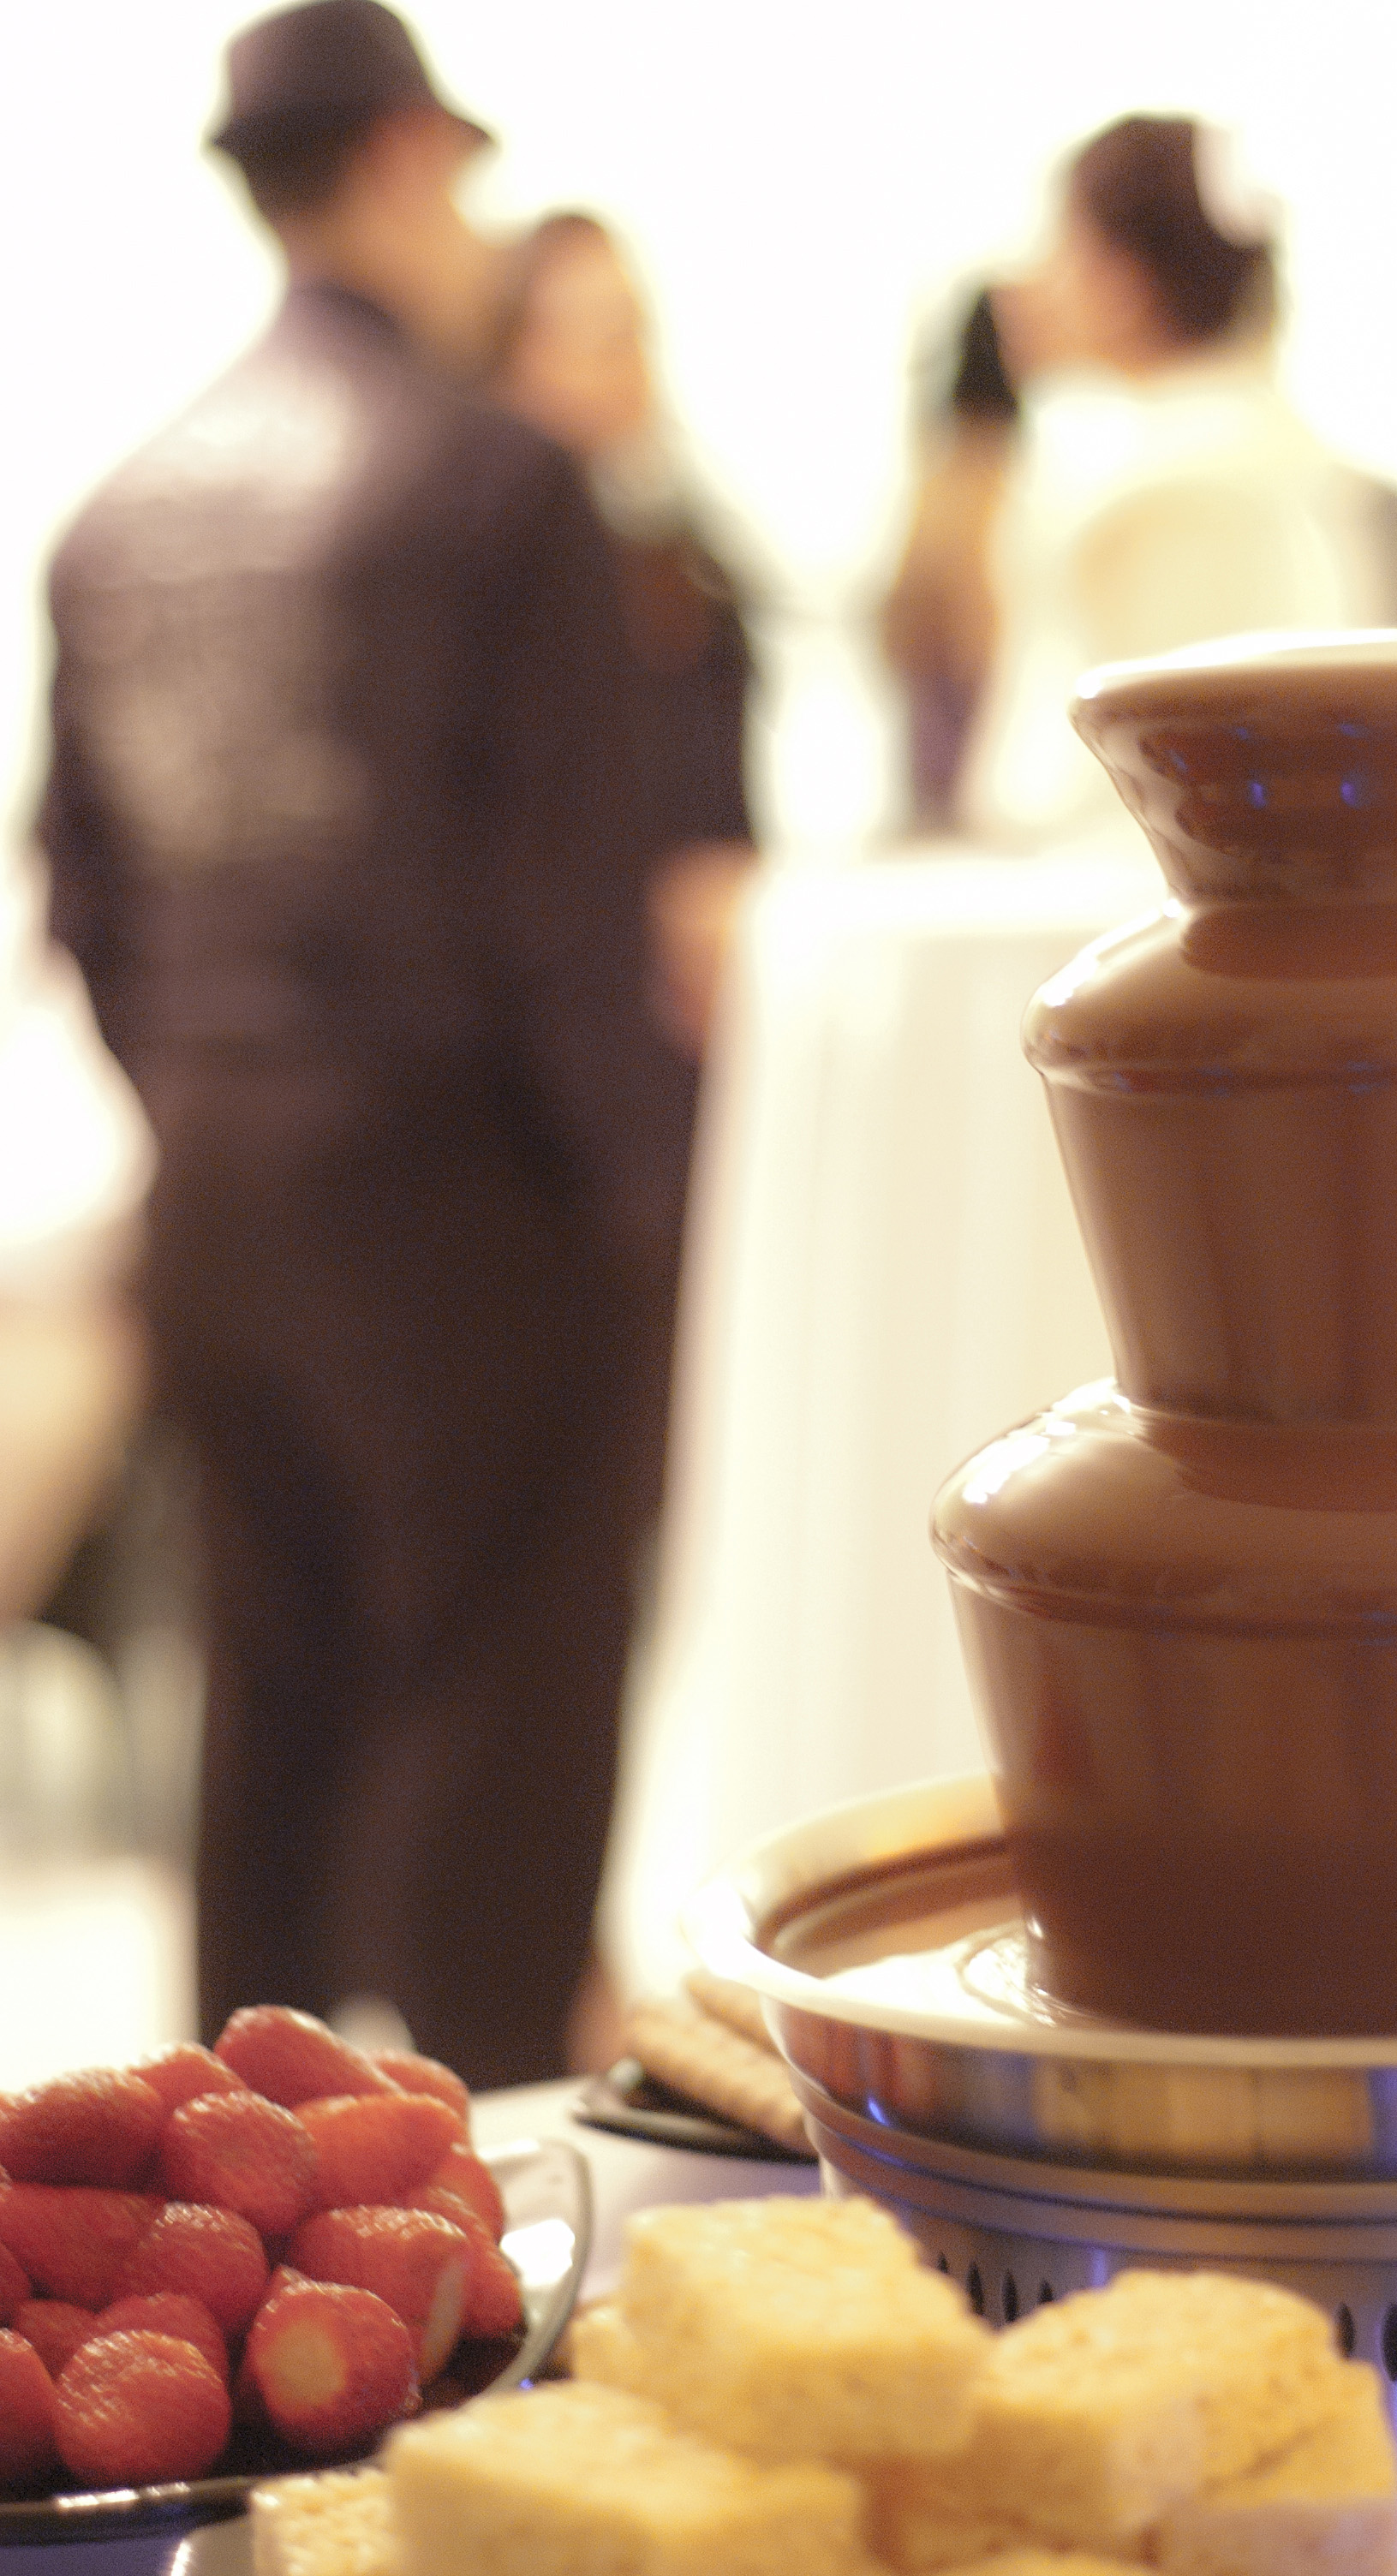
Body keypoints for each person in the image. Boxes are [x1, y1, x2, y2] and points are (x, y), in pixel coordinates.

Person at [37, 0, 677, 2090]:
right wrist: (628, 1206)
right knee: (505, 1695)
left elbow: (88, 893)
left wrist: (207, 1107)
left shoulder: (122, 512)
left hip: (218, 1174)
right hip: (458, 1164)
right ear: (406, 162)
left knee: (272, 1695)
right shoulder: (493, 483)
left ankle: (239, 2180)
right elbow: (557, 901)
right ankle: (496, 2189)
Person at [495, 210, 758, 1528]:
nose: (623, 371)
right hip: (580, 1061)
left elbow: (720, 796)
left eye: (634, 335)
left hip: (699, 1032)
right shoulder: (478, 576)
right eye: (588, 340)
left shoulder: (683, 559)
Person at [961, 116, 1397, 847]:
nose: (1029, 283)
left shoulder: (1175, 486)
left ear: (1125, 277)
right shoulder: (1265, 452)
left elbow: (1142, 795)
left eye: (1059, 244)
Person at [881, 289, 1021, 832]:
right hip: (972, 759)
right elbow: (979, 650)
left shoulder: (936, 478)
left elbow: (896, 636)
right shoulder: (992, 479)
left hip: (933, 756)